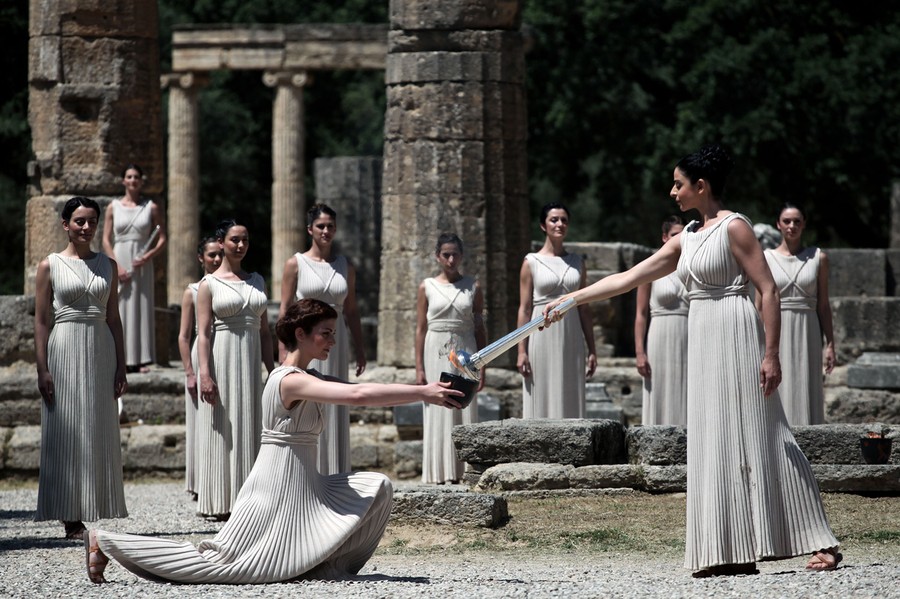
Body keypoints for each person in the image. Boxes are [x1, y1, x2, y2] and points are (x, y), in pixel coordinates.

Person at [543, 145, 841, 576]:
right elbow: (630, 277)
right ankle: (730, 549)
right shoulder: (687, 236)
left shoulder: (736, 227)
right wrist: (573, 298)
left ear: (701, 186)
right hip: (702, 336)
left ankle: (822, 540)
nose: (673, 191)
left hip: (737, 331)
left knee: (768, 431)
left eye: (678, 184)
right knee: (714, 437)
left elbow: (768, 289)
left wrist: (771, 354)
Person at [82, 298, 464, 584]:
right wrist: (423, 393)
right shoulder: (289, 380)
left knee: (378, 487)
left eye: (334, 333)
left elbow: (361, 387)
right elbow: (358, 396)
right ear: (300, 334)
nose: (332, 341)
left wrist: (430, 389)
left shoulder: (311, 377)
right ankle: (106, 541)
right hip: (276, 485)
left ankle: (324, 564)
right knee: (221, 563)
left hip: (305, 486)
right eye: (326, 333)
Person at [33, 197, 129, 539]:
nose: (86, 227)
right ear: (66, 225)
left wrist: (122, 365)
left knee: (95, 424)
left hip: (101, 348)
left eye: (92, 221)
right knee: (67, 425)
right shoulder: (50, 265)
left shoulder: (108, 266)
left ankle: (91, 503)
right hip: (64, 346)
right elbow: (41, 320)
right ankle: (69, 515)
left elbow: (114, 318)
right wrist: (42, 368)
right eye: (79, 221)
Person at [279, 203, 366, 475]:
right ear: (310, 229)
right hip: (306, 344)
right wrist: (284, 350)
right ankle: (309, 471)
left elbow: (351, 311)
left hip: (336, 345)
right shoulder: (295, 264)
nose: (326, 231)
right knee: (309, 402)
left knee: (336, 400)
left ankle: (335, 472)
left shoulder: (345, 267)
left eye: (330, 226)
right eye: (320, 226)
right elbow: (285, 311)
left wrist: (360, 349)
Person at [196, 219, 275, 518]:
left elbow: (265, 332)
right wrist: (205, 375)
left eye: (245, 240)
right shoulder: (209, 284)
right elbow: (203, 335)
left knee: (253, 424)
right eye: (234, 240)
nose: (241, 245)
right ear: (222, 242)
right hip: (223, 359)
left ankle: (251, 499)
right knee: (224, 427)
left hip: (251, 362)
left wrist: (273, 371)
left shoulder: (258, 281)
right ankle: (221, 500)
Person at [415, 233, 487, 484]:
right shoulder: (426, 286)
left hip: (466, 347)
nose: (451, 259)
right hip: (435, 347)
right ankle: (439, 472)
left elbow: (479, 326)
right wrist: (419, 367)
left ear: (462, 256)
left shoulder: (473, 286)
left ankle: (465, 469)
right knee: (438, 403)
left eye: (455, 254)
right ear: (438, 256)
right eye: (446, 254)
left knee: (463, 404)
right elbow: (420, 329)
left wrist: (483, 364)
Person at [756, 203, 835, 425]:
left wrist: (830, 344)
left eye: (797, 221)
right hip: (776, 330)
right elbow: (759, 306)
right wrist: (757, 342)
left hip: (808, 329)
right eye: (787, 221)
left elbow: (823, 305)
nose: (792, 226)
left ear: (804, 224)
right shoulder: (765, 258)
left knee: (806, 381)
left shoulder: (818, 258)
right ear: (778, 225)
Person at [517, 202, 597, 419]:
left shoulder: (577, 262)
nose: (560, 224)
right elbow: (524, 309)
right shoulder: (531, 262)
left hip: (571, 334)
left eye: (564, 220)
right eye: (554, 220)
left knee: (569, 391)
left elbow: (585, 309)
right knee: (541, 391)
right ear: (543, 225)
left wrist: (592, 349)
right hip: (540, 333)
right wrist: (522, 351)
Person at [102, 164, 166, 373]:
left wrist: (147, 256)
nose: (132, 180)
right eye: (129, 177)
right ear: (123, 181)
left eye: (136, 177)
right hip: (120, 258)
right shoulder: (113, 207)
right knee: (119, 306)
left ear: (141, 180)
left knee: (140, 306)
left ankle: (140, 359)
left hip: (141, 263)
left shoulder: (151, 207)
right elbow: (106, 240)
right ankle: (118, 358)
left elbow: (163, 239)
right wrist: (117, 266)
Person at [176, 237, 223, 501]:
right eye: (211, 255)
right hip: (200, 354)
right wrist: (190, 373)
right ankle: (199, 481)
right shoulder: (192, 291)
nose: (216, 259)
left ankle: (221, 477)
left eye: (219, 254)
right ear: (201, 258)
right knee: (200, 420)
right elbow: (184, 336)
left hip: (224, 351)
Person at [633, 215, 689, 426]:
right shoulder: (652, 266)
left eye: (684, 234)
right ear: (665, 237)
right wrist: (640, 352)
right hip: (660, 334)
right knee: (660, 388)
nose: (680, 238)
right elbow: (640, 314)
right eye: (675, 234)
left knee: (689, 387)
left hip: (690, 334)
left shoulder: (693, 266)